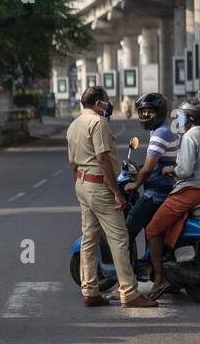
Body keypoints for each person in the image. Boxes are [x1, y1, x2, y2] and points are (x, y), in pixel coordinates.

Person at [67, 86, 157, 310]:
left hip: (83, 184)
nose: (109, 104)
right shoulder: (97, 123)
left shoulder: (74, 125)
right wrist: (116, 192)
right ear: (98, 103)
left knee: (90, 239)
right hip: (99, 186)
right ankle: (129, 291)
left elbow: (73, 163)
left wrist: (80, 185)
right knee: (119, 238)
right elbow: (102, 159)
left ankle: (90, 290)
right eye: (106, 101)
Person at [146, 93, 200, 302]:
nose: (179, 120)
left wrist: (170, 169)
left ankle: (160, 278)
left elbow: (185, 170)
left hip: (189, 191)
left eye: (182, 116)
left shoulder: (190, 137)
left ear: (191, 118)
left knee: (153, 229)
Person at [123, 92, 178, 250]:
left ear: (159, 112)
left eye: (150, 111)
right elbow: (156, 164)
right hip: (165, 187)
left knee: (127, 230)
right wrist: (139, 170)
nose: (146, 114)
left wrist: (135, 184)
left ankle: (127, 271)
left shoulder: (160, 133)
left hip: (156, 193)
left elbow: (148, 169)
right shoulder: (163, 129)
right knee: (149, 230)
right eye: (143, 111)